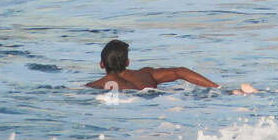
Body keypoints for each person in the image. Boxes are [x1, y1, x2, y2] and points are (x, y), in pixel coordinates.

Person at [85, 39, 257, 94]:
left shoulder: (94, 86)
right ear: (128, 62)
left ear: (101, 64)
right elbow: (180, 71)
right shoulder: (146, 74)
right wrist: (217, 88)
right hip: (161, 100)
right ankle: (231, 92)